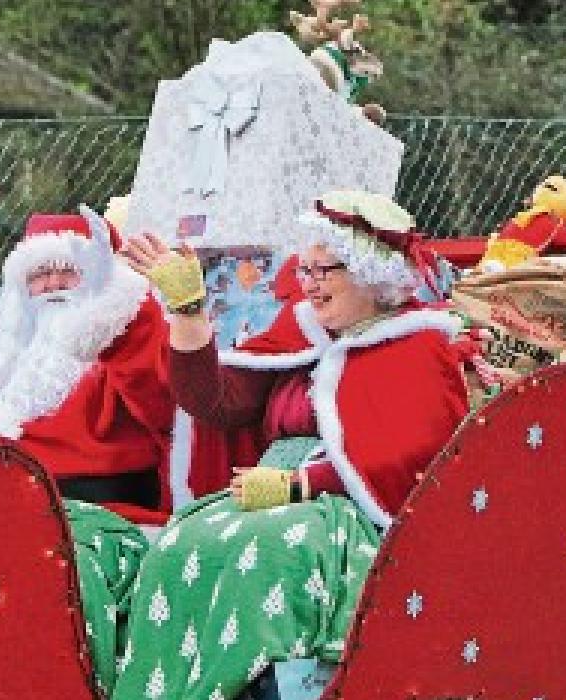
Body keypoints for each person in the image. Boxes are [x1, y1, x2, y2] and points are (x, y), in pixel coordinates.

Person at [115, 191, 471, 700]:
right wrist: (188, 309)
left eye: (323, 270)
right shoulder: (298, 332)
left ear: (369, 271)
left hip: (342, 510)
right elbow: (216, 402)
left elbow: (411, 453)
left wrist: (301, 484)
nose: (309, 284)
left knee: (270, 553)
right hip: (264, 494)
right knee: (178, 546)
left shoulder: (416, 344)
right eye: (304, 271)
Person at [0, 205, 176, 692]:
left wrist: (121, 310)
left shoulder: (118, 353)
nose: (54, 283)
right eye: (40, 274)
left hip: (97, 519)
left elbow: (163, 399)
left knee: (43, 572)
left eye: (68, 271)